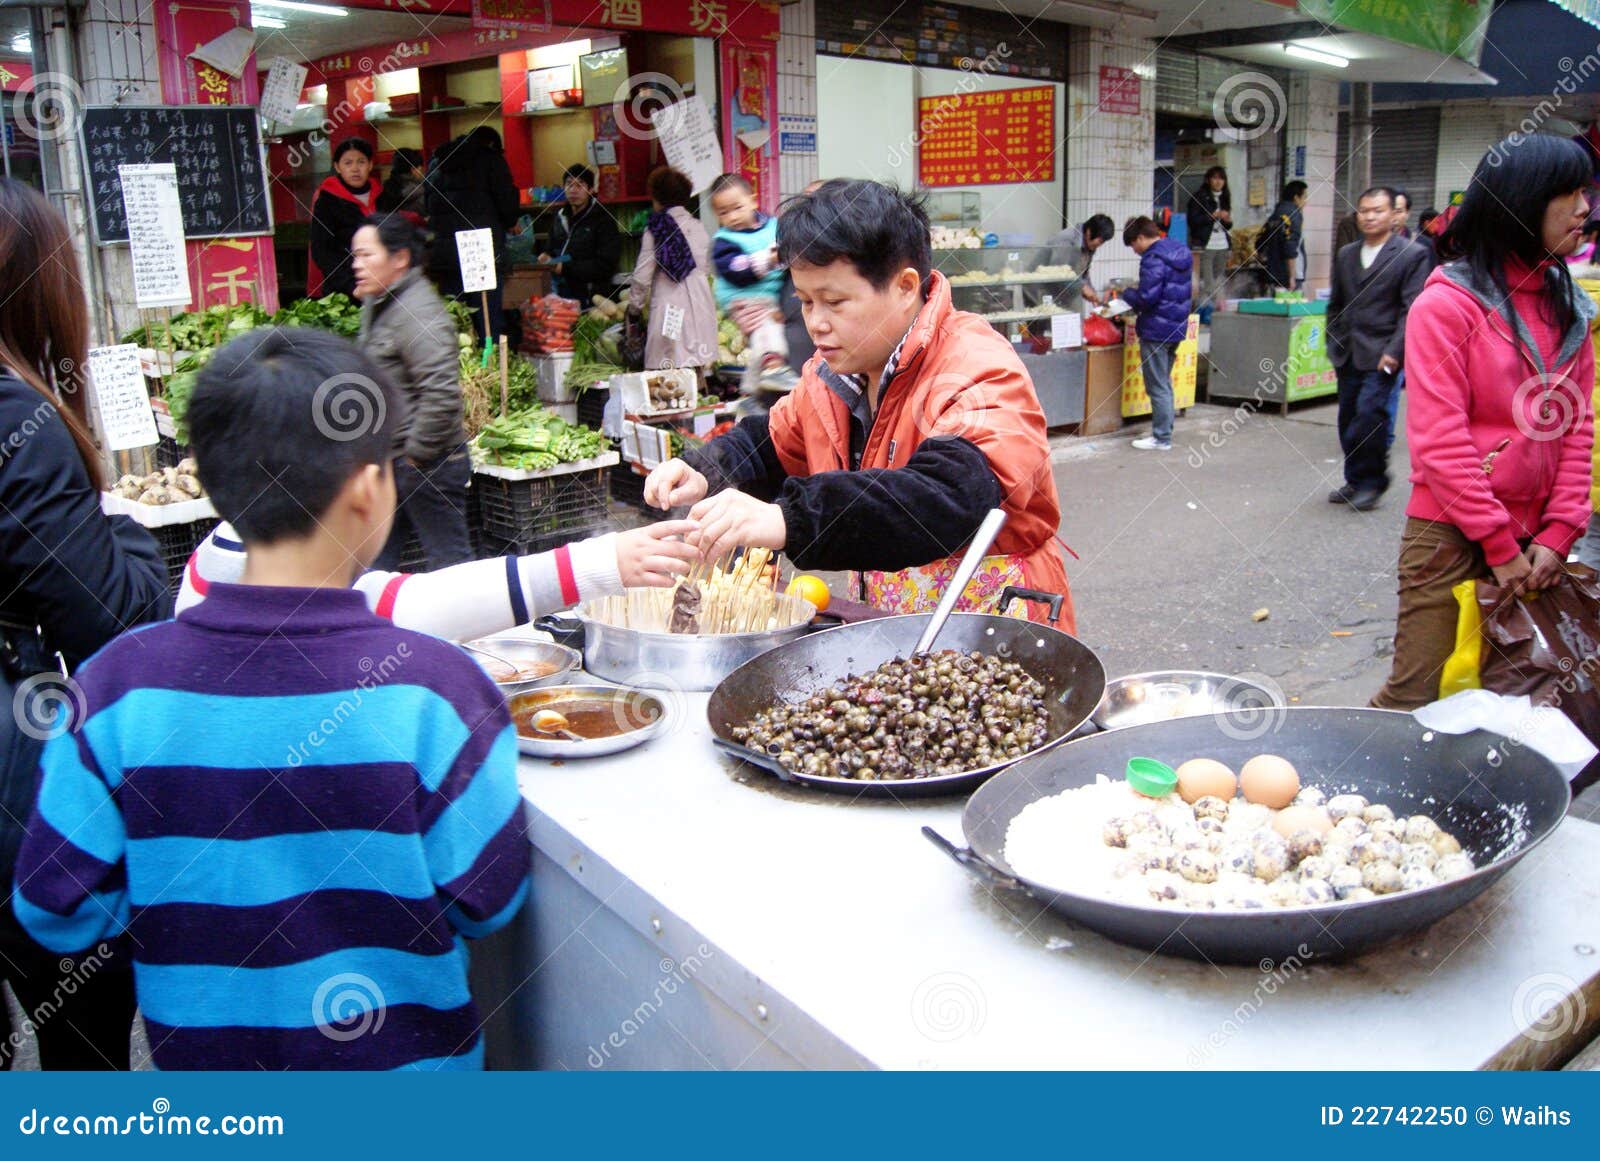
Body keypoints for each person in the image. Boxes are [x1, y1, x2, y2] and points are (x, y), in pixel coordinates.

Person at [14, 329, 526, 1070]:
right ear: (366, 487)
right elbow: (490, 898)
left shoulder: (112, 691)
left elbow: (53, 906)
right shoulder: (440, 692)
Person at [642, 180, 1076, 632]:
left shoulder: (975, 366)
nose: (815, 323)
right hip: (891, 623)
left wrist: (788, 518)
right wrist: (705, 470)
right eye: (805, 302)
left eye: (834, 302)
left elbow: (950, 496)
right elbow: (775, 441)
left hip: (994, 620)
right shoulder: (834, 373)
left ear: (906, 286)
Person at [0, 179, 171, 1070]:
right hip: (14, 787)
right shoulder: (18, 417)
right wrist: (123, 523)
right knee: (82, 1027)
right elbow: (113, 613)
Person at [1371, 135, 1595, 710]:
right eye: (1567, 194)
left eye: (1585, 192)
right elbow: (1439, 443)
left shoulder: (1569, 307)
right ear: (1521, 202)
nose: (1585, 208)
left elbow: (1576, 427)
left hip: (1540, 539)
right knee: (1419, 694)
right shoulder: (1448, 305)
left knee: (1519, 699)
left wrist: (1560, 530)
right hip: (1450, 534)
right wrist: (1498, 545)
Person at [353, 214, 472, 571]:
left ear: (400, 258)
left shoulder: (418, 313)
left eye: (366, 255)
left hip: (427, 464)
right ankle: (368, 622)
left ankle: (471, 626)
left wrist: (415, 457)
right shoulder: (381, 302)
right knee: (376, 561)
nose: (357, 265)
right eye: (354, 256)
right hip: (396, 462)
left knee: (450, 564)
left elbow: (441, 394)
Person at [1325, 187, 1430, 511]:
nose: (1370, 217)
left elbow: (1410, 308)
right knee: (1348, 418)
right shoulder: (1346, 254)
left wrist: (1395, 350)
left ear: (1394, 215)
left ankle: (1373, 482)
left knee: (1370, 416)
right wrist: (1334, 340)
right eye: (1364, 210)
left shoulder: (1411, 255)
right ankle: (1354, 479)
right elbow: (1337, 303)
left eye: (1378, 210)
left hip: (1384, 352)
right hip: (1349, 351)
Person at [424, 127, 521, 338]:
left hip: (446, 256)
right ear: (492, 145)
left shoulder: (436, 163)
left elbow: (427, 206)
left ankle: (459, 368)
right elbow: (508, 205)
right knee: (487, 319)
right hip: (480, 252)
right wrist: (511, 220)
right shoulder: (491, 161)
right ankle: (492, 363)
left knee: (457, 320)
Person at [710, 172, 796, 393]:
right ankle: (774, 369)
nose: (732, 217)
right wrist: (769, 259)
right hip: (743, 298)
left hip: (769, 298)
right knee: (767, 331)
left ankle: (751, 391)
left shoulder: (774, 227)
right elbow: (738, 270)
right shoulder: (725, 242)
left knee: (765, 335)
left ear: (753, 200)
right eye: (724, 213)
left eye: (737, 208)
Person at [627, 166, 717, 372]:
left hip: (672, 310)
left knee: (669, 365)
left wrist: (634, 308)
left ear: (656, 197)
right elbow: (707, 268)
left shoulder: (656, 228)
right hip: (701, 304)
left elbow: (642, 276)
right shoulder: (698, 227)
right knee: (697, 365)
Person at [1119, 215, 1194, 452]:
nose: (1135, 251)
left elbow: (1147, 297)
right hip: (1176, 326)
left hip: (1156, 330)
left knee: (1157, 385)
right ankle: (1164, 432)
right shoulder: (1179, 251)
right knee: (1164, 382)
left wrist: (1126, 295)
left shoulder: (1152, 258)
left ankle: (1161, 437)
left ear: (1141, 237)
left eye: (1133, 245)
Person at [309, 137, 380, 298]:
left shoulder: (385, 196)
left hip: (384, 287)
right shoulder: (327, 202)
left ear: (370, 164)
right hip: (345, 292)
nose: (355, 168)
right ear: (337, 167)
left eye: (361, 162)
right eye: (348, 163)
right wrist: (351, 287)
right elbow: (321, 251)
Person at [543, 164, 622, 308]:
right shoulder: (560, 217)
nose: (573, 190)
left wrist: (564, 267)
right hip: (561, 293)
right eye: (569, 184)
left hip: (592, 295)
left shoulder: (603, 219)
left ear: (591, 190)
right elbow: (552, 248)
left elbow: (606, 264)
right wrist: (546, 256)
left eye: (580, 185)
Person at [1186, 166, 1232, 309]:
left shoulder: (1225, 198)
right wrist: (1212, 216)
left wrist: (1228, 221)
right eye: (1215, 178)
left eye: (1221, 178)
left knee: (1218, 279)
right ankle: (1203, 312)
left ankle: (1210, 310)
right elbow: (1193, 221)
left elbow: (1227, 226)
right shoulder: (1199, 197)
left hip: (1222, 244)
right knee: (1207, 282)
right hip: (1204, 245)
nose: (1218, 182)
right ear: (1208, 180)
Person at [1047, 213, 1115, 305]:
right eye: (1099, 241)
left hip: (1062, 297)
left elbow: (1083, 274)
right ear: (1089, 232)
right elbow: (1058, 273)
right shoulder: (1067, 240)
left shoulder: (1089, 245)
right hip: (1043, 292)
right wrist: (1082, 287)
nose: (1099, 245)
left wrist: (1092, 294)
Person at [1258, 180, 1308, 291]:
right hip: (1290, 274)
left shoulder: (1275, 214)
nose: (1306, 201)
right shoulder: (1294, 215)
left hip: (1273, 273)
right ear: (1296, 198)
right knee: (1293, 307)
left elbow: (1260, 241)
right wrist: (1292, 277)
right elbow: (1290, 246)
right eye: (1304, 197)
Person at [375, 146, 427, 225]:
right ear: (413, 169)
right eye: (419, 167)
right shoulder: (421, 188)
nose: (421, 171)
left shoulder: (387, 186)